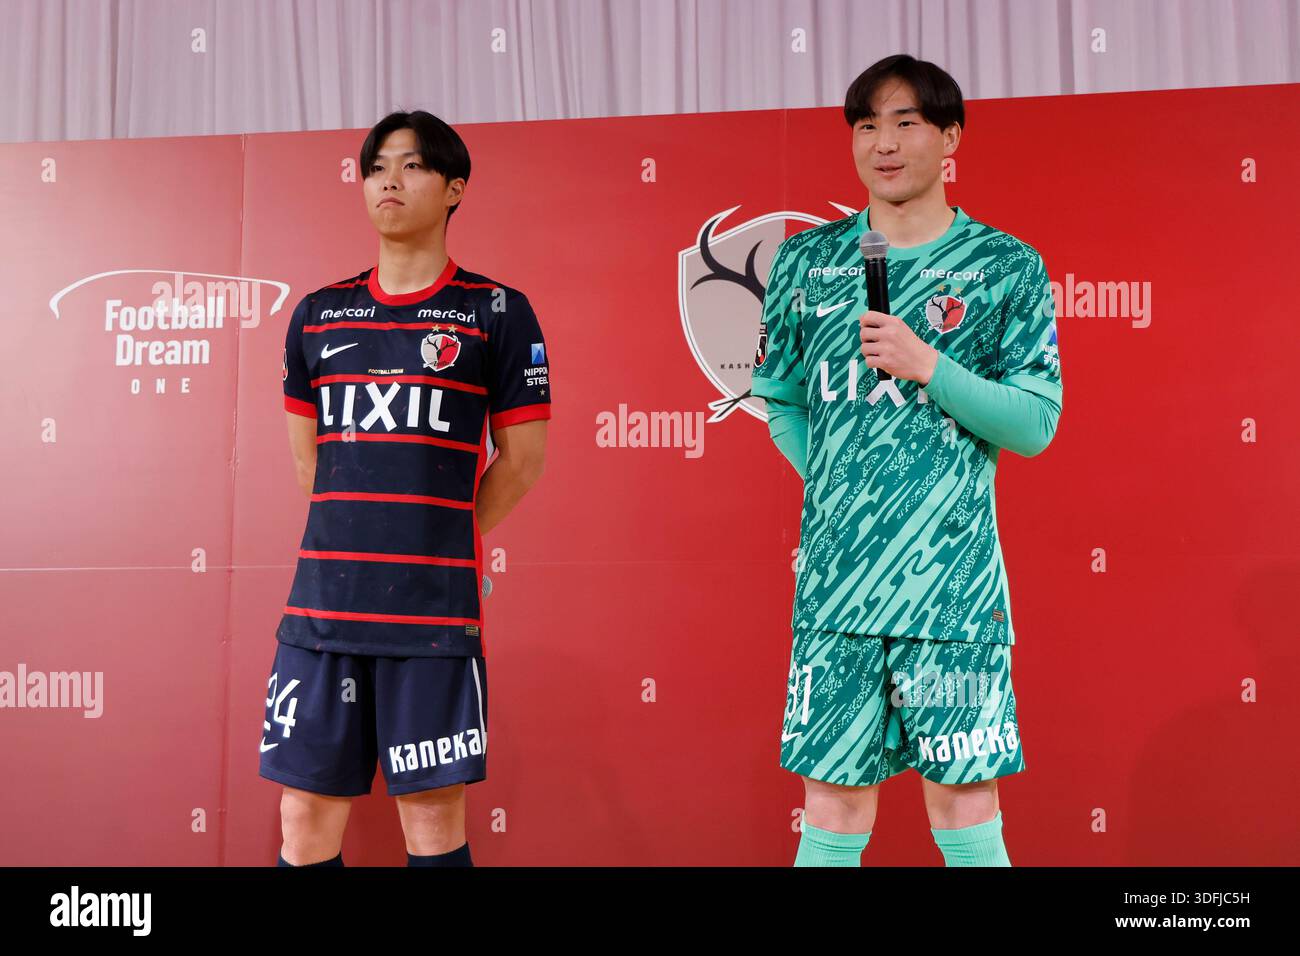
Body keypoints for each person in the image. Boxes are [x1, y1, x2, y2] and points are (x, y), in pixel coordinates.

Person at [751, 54, 1062, 867]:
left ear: (950, 136)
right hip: (834, 584)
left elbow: (1034, 424)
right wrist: (834, 481)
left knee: (963, 797)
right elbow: (778, 394)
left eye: (905, 123)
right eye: (865, 125)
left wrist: (930, 366)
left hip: (952, 591)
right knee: (833, 799)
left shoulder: (1007, 266)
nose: (882, 144)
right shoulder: (804, 261)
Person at [260, 109, 552, 867]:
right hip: (319, 617)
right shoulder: (317, 315)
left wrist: (438, 537)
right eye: (378, 165)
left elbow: (521, 461)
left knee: (430, 823)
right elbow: (310, 469)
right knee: (303, 820)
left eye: (415, 165)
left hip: (432, 619)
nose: (390, 179)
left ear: (455, 188)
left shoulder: (497, 312)